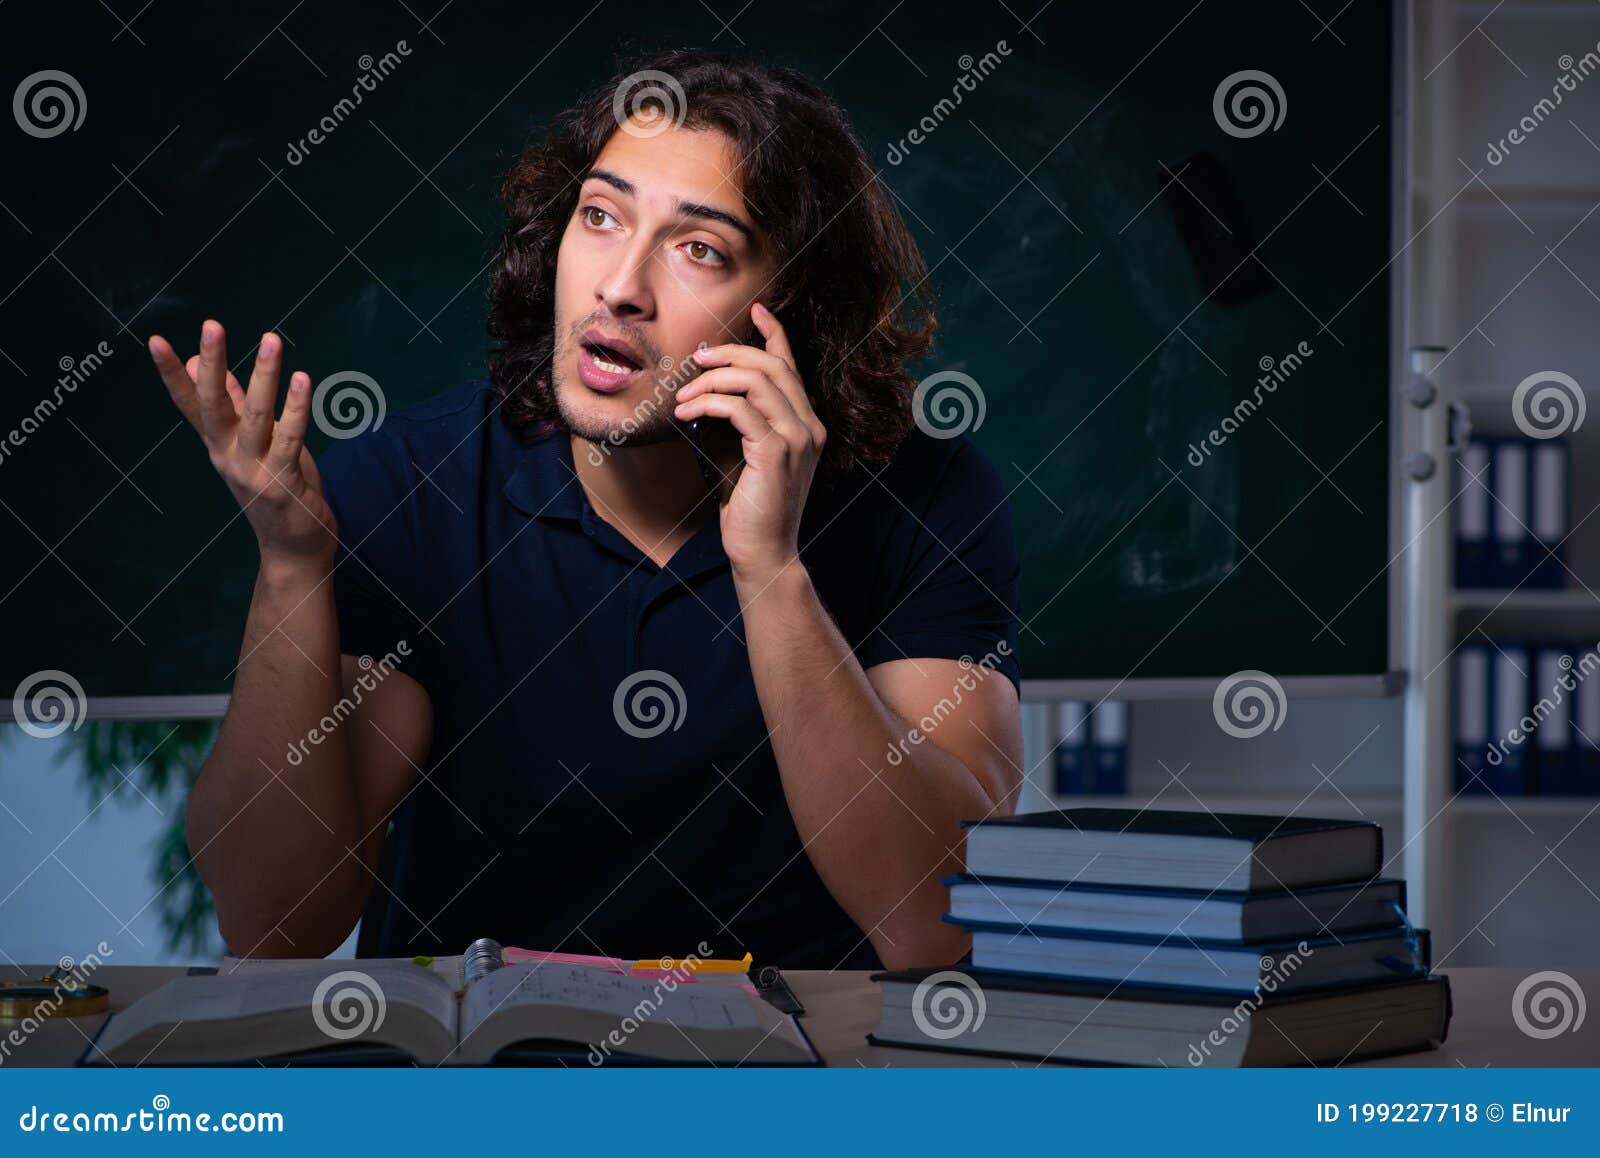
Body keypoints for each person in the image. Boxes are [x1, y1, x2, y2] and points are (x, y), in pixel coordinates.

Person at [146, 49, 1023, 969]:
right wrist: (290, 571)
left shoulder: (926, 497)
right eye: (600, 217)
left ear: (785, 296)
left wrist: (771, 568)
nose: (620, 287)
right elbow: (273, 922)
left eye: (698, 250)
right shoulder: (408, 485)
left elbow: (935, 919)